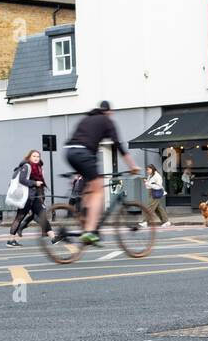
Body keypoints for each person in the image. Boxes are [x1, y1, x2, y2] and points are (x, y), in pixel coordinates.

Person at [63, 101, 140, 247]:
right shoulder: (107, 121)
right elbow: (118, 145)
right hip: (84, 154)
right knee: (99, 192)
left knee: (89, 191)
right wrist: (132, 166)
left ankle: (86, 223)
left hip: (69, 152)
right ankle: (90, 231)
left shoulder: (86, 119)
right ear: (109, 112)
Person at [7, 150, 48, 247]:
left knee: (23, 217)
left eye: (38, 156)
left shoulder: (35, 167)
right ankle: (11, 239)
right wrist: (35, 183)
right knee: (19, 217)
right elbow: (22, 180)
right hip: (27, 197)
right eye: (34, 156)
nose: (36, 158)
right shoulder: (27, 166)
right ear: (29, 157)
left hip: (32, 196)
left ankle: (51, 235)